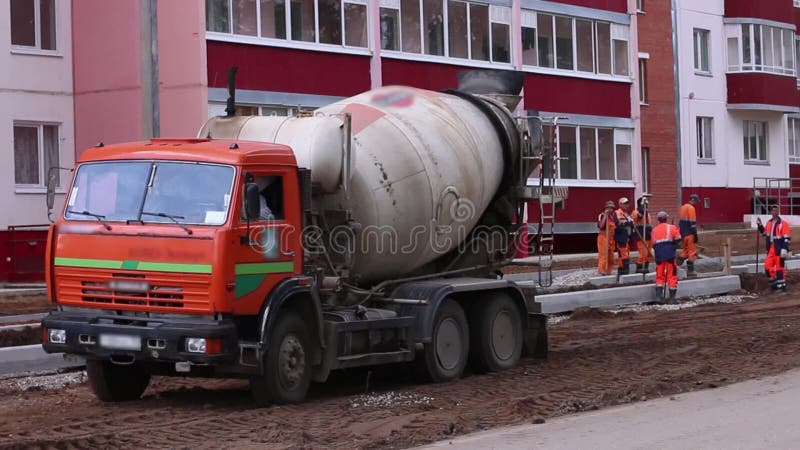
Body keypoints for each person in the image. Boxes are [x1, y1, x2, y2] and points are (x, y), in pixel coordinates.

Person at [757, 205, 791, 292]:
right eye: (773, 211)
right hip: (771, 249)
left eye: (776, 210)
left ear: (778, 212)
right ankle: (774, 284)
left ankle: (781, 287)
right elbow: (765, 233)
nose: (775, 212)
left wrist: (785, 249)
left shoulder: (783, 224)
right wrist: (760, 225)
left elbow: (786, 238)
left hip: (779, 249)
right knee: (767, 267)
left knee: (780, 268)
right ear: (771, 212)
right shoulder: (769, 223)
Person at [652, 211, 682, 302]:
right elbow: (678, 239)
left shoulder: (654, 230)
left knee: (659, 275)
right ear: (666, 219)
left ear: (658, 220)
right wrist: (674, 244)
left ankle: (658, 297)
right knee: (672, 275)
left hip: (659, 255)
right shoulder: (672, 227)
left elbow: (653, 244)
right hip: (670, 254)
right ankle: (672, 298)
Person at [678, 193, 700, 275]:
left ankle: (677, 265)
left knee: (685, 251)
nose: (697, 203)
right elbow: (692, 223)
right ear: (694, 200)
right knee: (692, 252)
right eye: (697, 201)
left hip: (683, 234)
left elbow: (680, 222)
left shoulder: (682, 207)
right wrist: (695, 234)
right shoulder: (691, 208)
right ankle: (691, 271)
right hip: (690, 234)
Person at [631, 196, 653, 274]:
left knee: (648, 252)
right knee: (643, 252)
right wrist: (642, 211)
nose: (646, 206)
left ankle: (646, 267)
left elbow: (649, 223)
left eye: (646, 205)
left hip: (648, 234)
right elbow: (638, 217)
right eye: (644, 204)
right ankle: (639, 267)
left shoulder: (647, 213)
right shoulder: (636, 212)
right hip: (641, 234)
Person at [614, 197, 634, 276]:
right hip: (621, 236)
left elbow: (631, 225)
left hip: (626, 237)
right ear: (620, 204)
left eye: (627, 203)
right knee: (623, 254)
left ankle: (624, 270)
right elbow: (616, 224)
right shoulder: (617, 213)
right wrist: (626, 223)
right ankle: (624, 271)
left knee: (625, 253)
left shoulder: (627, 214)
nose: (626, 205)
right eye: (624, 204)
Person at [597, 201, 617, 276]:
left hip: (611, 238)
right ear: (605, 208)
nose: (610, 209)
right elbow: (601, 226)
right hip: (603, 237)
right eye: (608, 208)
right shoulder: (601, 215)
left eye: (611, 208)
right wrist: (605, 215)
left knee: (611, 256)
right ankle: (601, 270)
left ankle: (609, 270)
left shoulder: (613, 217)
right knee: (603, 255)